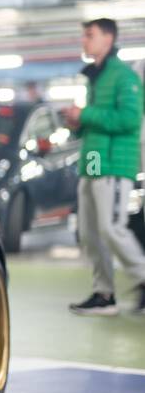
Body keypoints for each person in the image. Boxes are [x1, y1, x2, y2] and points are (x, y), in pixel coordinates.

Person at [64, 18, 145, 316]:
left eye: (89, 35)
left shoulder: (124, 77)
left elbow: (129, 120)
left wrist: (86, 114)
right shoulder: (94, 78)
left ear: (108, 39)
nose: (84, 41)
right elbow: (93, 123)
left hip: (112, 163)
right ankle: (103, 294)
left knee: (112, 229)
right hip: (94, 161)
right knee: (89, 232)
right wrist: (77, 122)